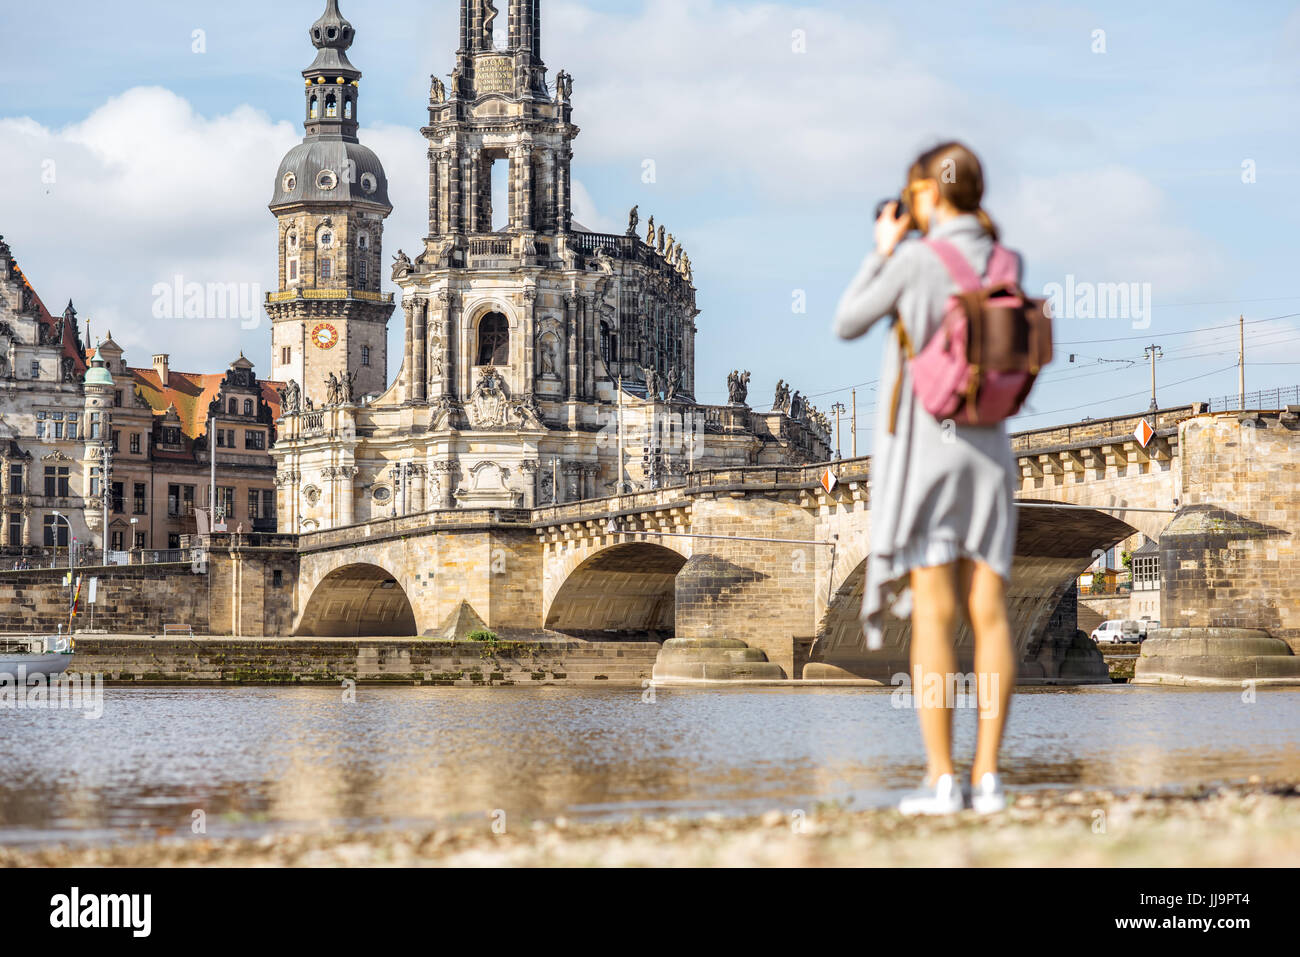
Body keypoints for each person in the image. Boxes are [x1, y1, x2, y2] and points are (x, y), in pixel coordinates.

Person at [831, 142, 1019, 816]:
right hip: (992, 450)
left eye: (916, 194)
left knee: (936, 612)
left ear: (931, 195)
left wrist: (883, 247)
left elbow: (848, 320)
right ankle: (990, 776)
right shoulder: (1005, 260)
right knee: (991, 613)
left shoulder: (914, 259)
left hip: (929, 451)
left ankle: (944, 778)